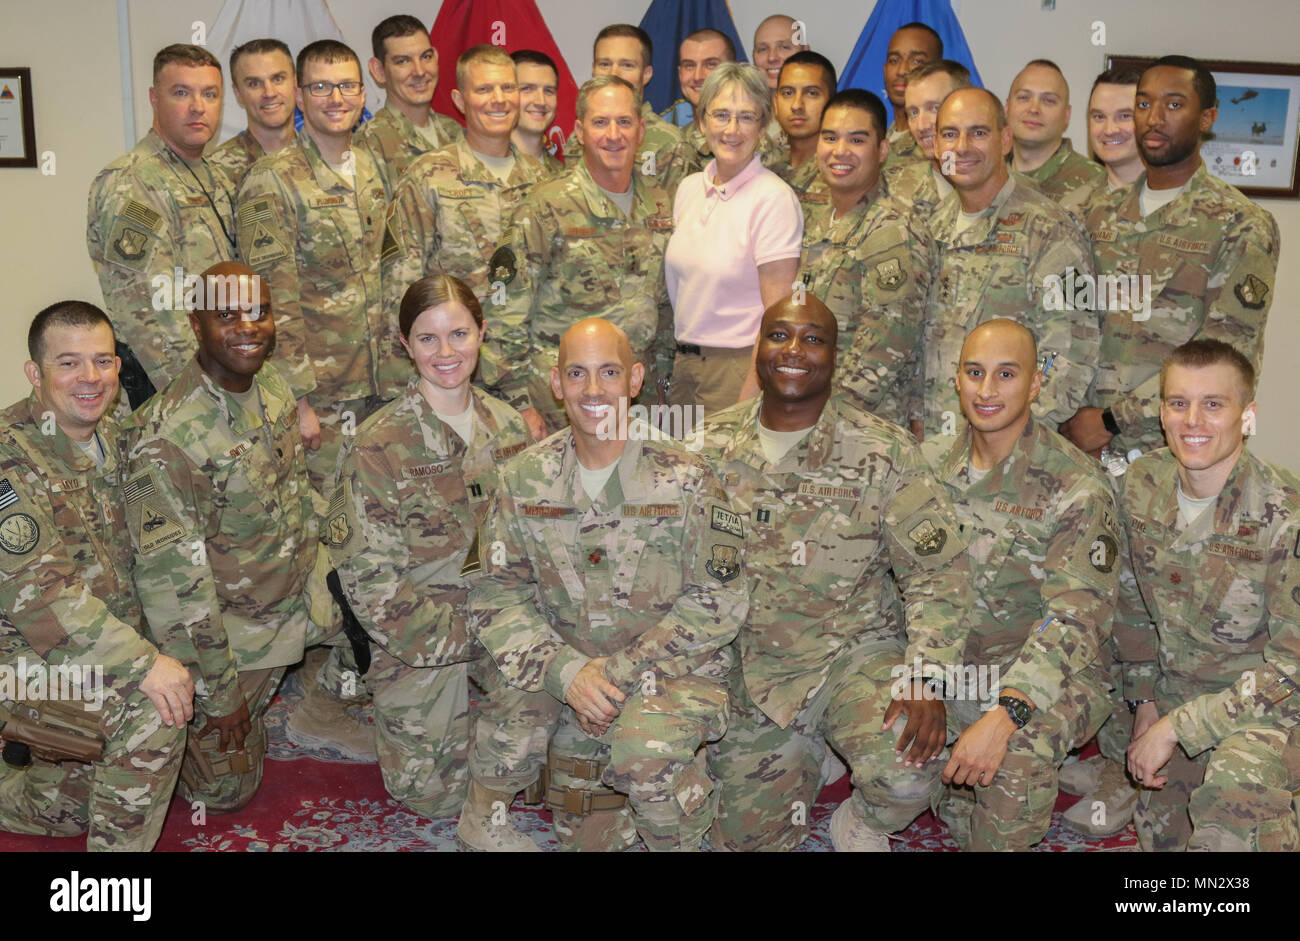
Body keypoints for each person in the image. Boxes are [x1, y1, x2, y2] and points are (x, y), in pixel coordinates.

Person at [697, 295, 972, 852]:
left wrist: (926, 675)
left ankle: (863, 820)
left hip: (853, 657)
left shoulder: (884, 450)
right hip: (751, 671)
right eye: (779, 335)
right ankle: (810, 757)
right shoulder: (706, 448)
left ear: (835, 355)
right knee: (742, 840)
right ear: (758, 346)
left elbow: (938, 572)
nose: (794, 350)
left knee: (908, 769)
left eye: (813, 339)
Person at [465, 318, 748, 851]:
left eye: (609, 373)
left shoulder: (688, 477)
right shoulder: (522, 479)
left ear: (635, 379)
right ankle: (486, 813)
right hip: (567, 671)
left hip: (667, 672)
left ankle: (672, 782)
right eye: (577, 374)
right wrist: (566, 673)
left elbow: (718, 602)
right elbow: (494, 595)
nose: (593, 391)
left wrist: (613, 675)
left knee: (645, 761)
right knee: (583, 833)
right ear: (556, 383)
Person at [324, 275, 535, 827]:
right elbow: (373, 589)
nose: (446, 353)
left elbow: (538, 545)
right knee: (433, 798)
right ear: (404, 343)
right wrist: (478, 639)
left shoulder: (510, 427)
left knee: (552, 756)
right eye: (427, 339)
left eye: (459, 334)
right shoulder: (377, 444)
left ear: (482, 333)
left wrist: (526, 631)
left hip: (502, 620)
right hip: (421, 640)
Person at [122, 262, 322, 812]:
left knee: (399, 596)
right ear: (196, 323)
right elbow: (174, 590)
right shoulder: (168, 439)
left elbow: (294, 488)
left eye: (258, 311)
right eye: (226, 314)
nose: (247, 327)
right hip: (234, 622)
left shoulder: (270, 381)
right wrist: (221, 693)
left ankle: (322, 697)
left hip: (293, 578)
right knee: (226, 791)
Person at [917, 319, 1118, 849]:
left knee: (1013, 760)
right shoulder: (926, 467)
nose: (987, 390)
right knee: (884, 759)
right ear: (956, 380)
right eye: (975, 372)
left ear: (1035, 384)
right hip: (952, 660)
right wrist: (919, 679)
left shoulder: (1075, 486)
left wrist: (1005, 715)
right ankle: (942, 794)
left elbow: (1073, 622)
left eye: (1006, 374)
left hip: (1046, 669)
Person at [0, 301, 192, 851]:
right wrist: (145, 664)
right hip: (22, 658)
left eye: (103, 362)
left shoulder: (120, 440)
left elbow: (162, 548)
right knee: (152, 713)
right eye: (69, 363)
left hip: (91, 643)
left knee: (63, 813)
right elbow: (46, 601)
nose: (90, 378)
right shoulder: (10, 461)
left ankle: (42, 782)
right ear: (36, 373)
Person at [1119, 339, 1300, 852]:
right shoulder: (1141, 483)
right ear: (1161, 412)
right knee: (1165, 843)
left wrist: (1178, 726)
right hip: (1178, 689)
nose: (1192, 420)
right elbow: (1131, 603)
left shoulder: (1285, 517)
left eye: (1213, 404)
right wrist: (1145, 699)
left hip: (1274, 706)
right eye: (1179, 403)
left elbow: (1292, 669)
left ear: (1247, 417)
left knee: (1234, 801)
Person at [1060, 56, 1279, 463]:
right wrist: (1061, 412)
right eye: (1143, 104)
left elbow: (1226, 355)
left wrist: (1111, 421)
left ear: (1207, 118)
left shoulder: (1240, 224)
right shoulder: (1092, 214)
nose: (1154, 118)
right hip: (1079, 451)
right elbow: (1064, 319)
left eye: (1174, 105)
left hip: (1174, 454)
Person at [237, 39, 392, 492]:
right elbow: (271, 300)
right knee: (329, 519)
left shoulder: (374, 169)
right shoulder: (271, 180)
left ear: (364, 95)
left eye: (347, 85)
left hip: (383, 383)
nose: (336, 99)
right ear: (301, 98)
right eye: (321, 86)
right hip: (321, 396)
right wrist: (297, 400)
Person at [494, 76, 676, 440]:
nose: (614, 134)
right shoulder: (545, 207)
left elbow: (666, 303)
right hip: (560, 406)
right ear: (579, 131)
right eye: (600, 122)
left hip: (639, 398)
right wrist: (519, 403)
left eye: (624, 122)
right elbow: (504, 311)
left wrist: (665, 384)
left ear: (641, 130)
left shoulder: (661, 202)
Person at [921, 88, 1096, 440]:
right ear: (937, 148)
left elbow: (1072, 351)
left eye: (979, 133)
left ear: (1005, 140)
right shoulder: (931, 226)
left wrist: (1017, 432)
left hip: (1008, 450)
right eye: (950, 134)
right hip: (931, 443)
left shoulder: (1053, 230)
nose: (963, 146)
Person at [382, 45, 549, 398]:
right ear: (459, 99)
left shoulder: (545, 180)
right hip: (455, 376)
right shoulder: (428, 176)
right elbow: (400, 289)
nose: (499, 100)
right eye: (484, 89)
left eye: (508, 88)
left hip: (535, 376)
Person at [87, 43, 236, 402]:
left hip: (220, 374)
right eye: (181, 92)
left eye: (210, 94)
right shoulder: (134, 182)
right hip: (172, 392)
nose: (198, 106)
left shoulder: (214, 176)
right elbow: (149, 312)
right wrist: (200, 399)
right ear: (154, 98)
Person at [665, 63, 803, 416]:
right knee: (679, 469)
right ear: (701, 121)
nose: (731, 129)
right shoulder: (688, 189)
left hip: (739, 368)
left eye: (746, 117)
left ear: (763, 126)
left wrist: (750, 393)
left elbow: (779, 316)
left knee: (723, 470)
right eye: (721, 115)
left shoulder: (773, 199)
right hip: (684, 366)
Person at [797, 88, 930, 431]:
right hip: (807, 410)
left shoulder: (890, 229)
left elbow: (888, 341)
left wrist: (829, 415)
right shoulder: (811, 220)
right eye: (830, 138)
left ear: (882, 150)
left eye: (857, 140)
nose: (840, 151)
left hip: (860, 430)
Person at [568, 24, 694, 196]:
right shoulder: (577, 137)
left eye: (627, 65)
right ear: (593, 69)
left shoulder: (671, 143)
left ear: (646, 74)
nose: (613, 73)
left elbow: (676, 215)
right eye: (604, 64)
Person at [354, 15, 462, 196]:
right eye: (403, 61)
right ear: (379, 71)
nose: (419, 71)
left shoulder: (455, 132)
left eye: (426, 57)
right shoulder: (368, 144)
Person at [1006, 59, 1105, 206]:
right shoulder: (982, 175)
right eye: (1023, 97)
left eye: (1048, 101)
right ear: (1007, 108)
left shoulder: (1098, 184)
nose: (1034, 109)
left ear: (1067, 115)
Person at [885, 60, 971, 219]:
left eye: (934, 108)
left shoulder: (1007, 189)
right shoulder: (892, 192)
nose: (921, 126)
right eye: (913, 113)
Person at [1058, 66, 1144, 223]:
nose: (1109, 130)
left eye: (1124, 116)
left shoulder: (1181, 202)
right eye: (1099, 116)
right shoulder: (1072, 207)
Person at [209, 39, 298, 188]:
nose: (269, 93)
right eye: (254, 84)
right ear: (238, 94)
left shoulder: (325, 157)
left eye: (278, 79)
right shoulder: (215, 172)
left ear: (295, 83)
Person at [769, 51, 836, 193]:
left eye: (811, 93)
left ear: (832, 104)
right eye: (788, 93)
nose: (797, 105)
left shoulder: (841, 172)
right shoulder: (763, 167)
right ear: (775, 104)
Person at [881, 22, 942, 173]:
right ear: (884, 69)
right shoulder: (876, 144)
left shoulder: (944, 147)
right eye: (894, 60)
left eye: (916, 61)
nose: (902, 71)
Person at [676, 29, 738, 163]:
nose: (698, 76)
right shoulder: (673, 143)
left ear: (734, 70)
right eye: (689, 66)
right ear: (680, 73)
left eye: (710, 64)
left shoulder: (750, 143)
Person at [510, 49, 563, 176]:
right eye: (527, 89)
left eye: (549, 91)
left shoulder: (562, 175)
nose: (541, 101)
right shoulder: (478, 167)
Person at [751, 13, 808, 92]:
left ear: (805, 53)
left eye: (784, 47)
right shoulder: (739, 102)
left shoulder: (827, 103)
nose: (772, 58)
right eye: (763, 49)